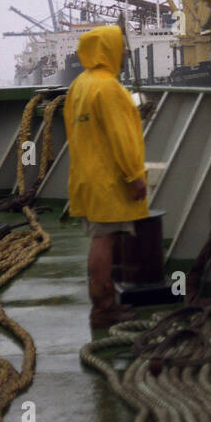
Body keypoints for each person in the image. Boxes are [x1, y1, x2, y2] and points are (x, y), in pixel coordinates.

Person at [63, 25, 148, 329]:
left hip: (86, 176)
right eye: (120, 47)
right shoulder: (109, 88)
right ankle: (103, 307)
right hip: (109, 180)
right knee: (104, 241)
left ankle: (104, 302)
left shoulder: (79, 86)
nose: (124, 53)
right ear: (108, 49)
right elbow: (121, 137)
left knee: (101, 239)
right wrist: (135, 176)